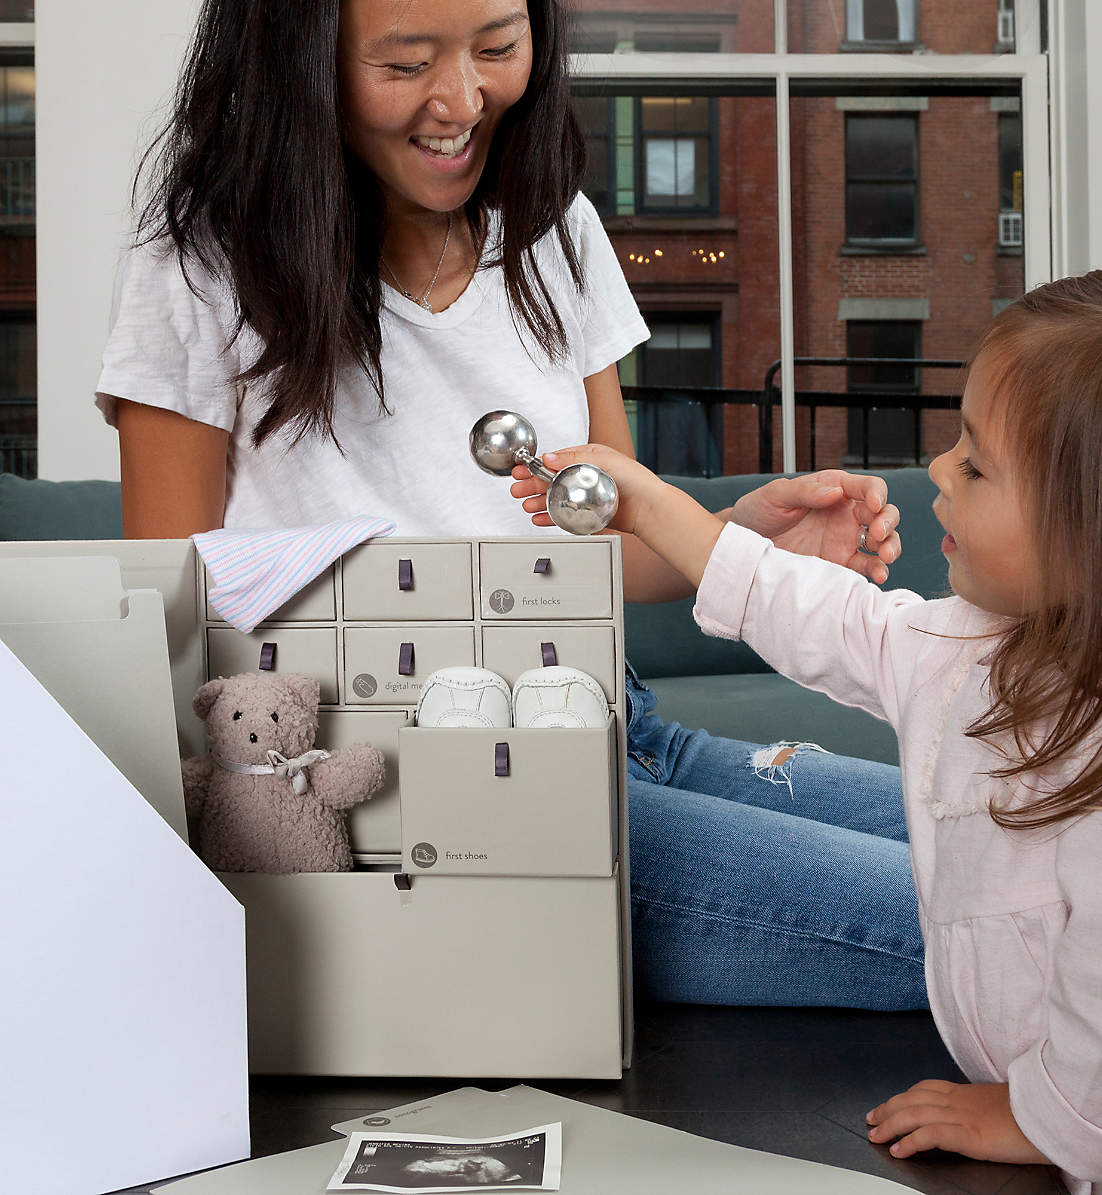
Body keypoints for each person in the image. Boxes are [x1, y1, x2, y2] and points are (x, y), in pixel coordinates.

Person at [96, 0, 926, 1009]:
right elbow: (169, 614)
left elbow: (600, 537)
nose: (462, 101)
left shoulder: (552, 231)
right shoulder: (198, 265)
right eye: (406, 64)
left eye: (497, 48)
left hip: (618, 723)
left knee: (1012, 830)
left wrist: (737, 532)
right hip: (428, 783)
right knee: (955, 915)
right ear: (300, 65)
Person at [517, 270, 1102, 1190]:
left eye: (977, 465)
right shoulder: (978, 646)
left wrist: (1043, 1120)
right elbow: (829, 618)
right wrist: (650, 508)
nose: (940, 471)